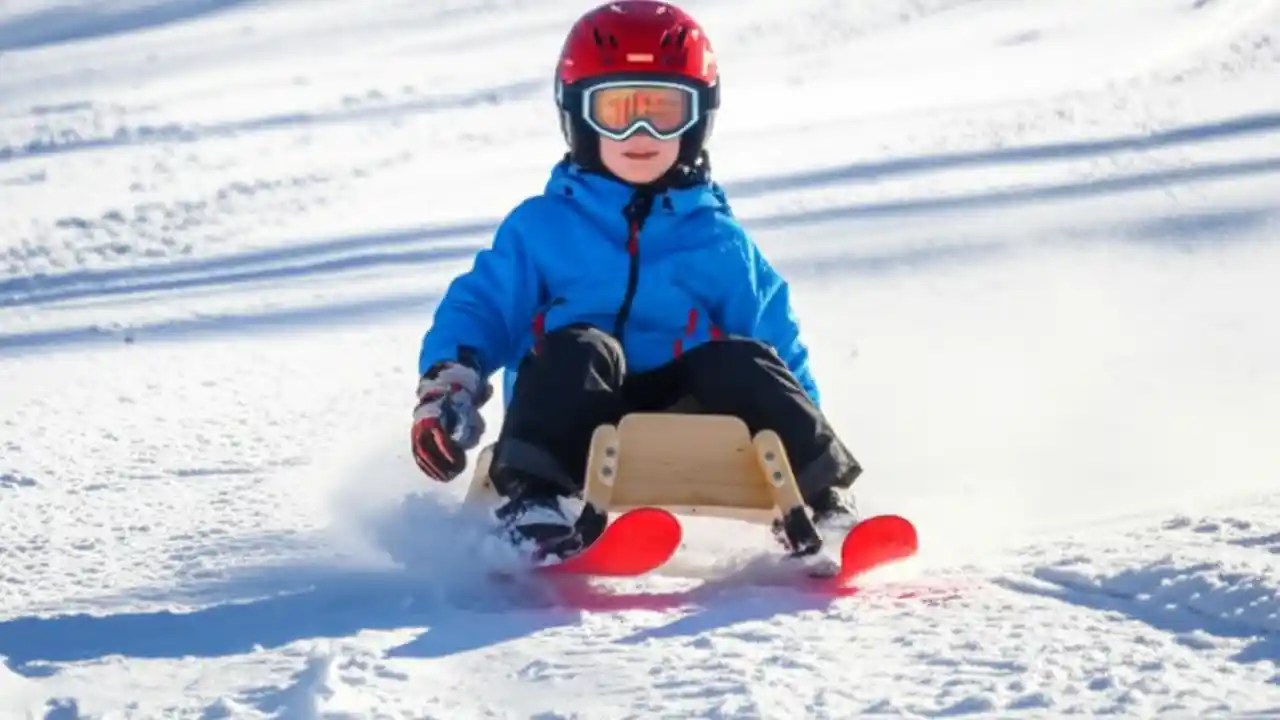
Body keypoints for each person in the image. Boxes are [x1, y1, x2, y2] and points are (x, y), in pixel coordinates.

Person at [411, 0, 862, 559]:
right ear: (577, 116)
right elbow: (483, 308)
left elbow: (776, 343)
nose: (641, 132)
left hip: (694, 420)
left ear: (698, 120)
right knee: (577, 346)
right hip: (574, 417)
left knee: (741, 357)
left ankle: (823, 504)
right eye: (618, 111)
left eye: (664, 111)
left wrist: (804, 421)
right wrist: (449, 390)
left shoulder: (718, 241)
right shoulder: (543, 227)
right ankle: (536, 504)